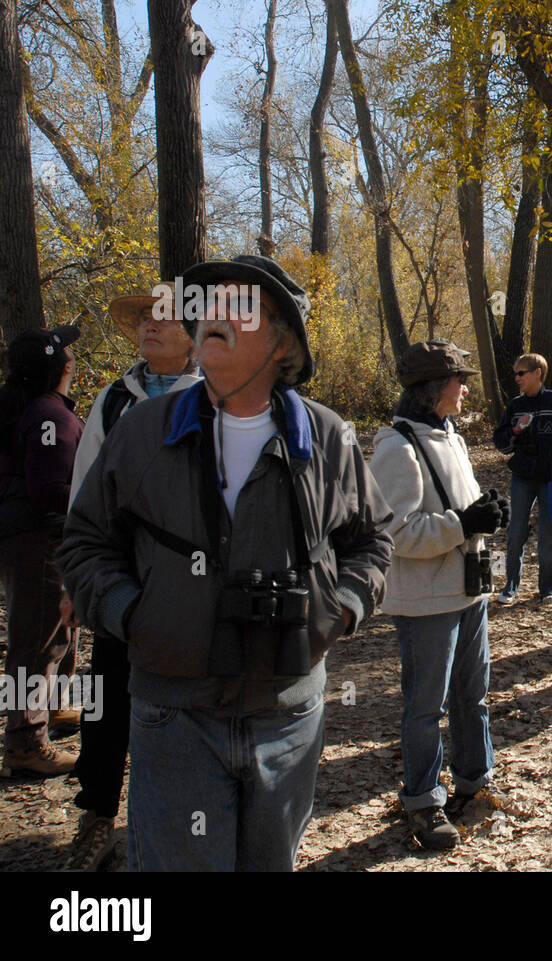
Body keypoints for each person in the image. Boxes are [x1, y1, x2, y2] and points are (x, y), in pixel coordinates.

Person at [57, 254, 393, 871]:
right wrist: (131, 614)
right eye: (209, 306)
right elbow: (84, 542)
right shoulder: (141, 431)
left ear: (282, 339)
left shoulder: (328, 437)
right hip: (172, 716)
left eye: (239, 306)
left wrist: (340, 610)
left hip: (290, 718)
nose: (213, 316)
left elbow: (372, 542)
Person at [61, 288, 203, 871]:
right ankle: (96, 818)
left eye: (162, 317)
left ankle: (177, 821)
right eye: (144, 318)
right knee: (107, 698)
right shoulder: (114, 400)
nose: (149, 325)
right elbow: (84, 489)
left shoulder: (217, 395)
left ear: (193, 333)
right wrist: (77, 578)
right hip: (120, 578)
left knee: (184, 703)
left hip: (192, 582)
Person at [369, 340, 509, 851]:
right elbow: (396, 533)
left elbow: (459, 509)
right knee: (426, 707)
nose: (466, 388)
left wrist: (486, 517)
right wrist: (462, 523)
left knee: (473, 697)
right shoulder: (396, 447)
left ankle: (475, 780)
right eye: (459, 380)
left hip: (468, 592)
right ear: (434, 389)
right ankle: (424, 801)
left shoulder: (451, 437)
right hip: (426, 602)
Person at [0, 326, 84, 777]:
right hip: (40, 540)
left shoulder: (26, 410)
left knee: (59, 631)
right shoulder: (48, 417)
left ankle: (52, 709)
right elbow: (52, 489)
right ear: (63, 367)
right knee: (36, 641)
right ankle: (24, 742)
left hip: (30, 538)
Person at [491, 352, 552, 605]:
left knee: (547, 535)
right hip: (522, 476)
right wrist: (516, 430)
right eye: (516, 374)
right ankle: (510, 587)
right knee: (516, 531)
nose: (517, 378)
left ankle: (549, 589)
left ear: (537, 373)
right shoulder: (515, 406)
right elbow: (500, 441)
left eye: (521, 373)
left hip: (550, 479)